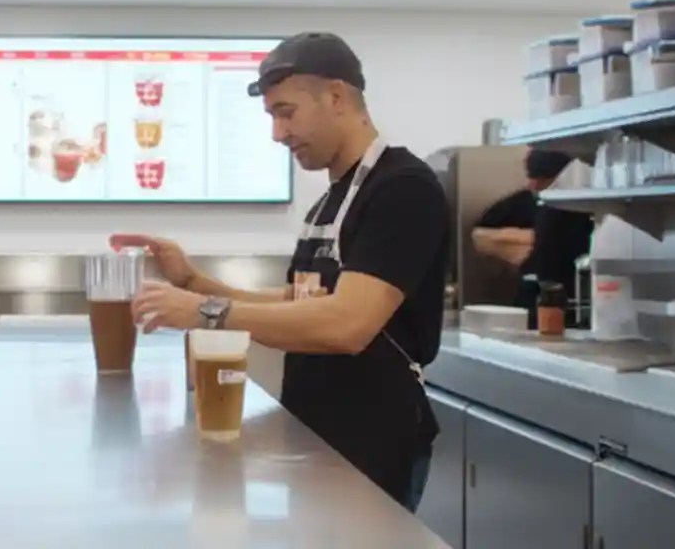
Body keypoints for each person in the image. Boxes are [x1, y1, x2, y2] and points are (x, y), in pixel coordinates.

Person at [116, 32, 448, 511]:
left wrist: (205, 311)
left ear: (336, 96)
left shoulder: (402, 189)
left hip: (373, 445)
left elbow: (347, 324)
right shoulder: (330, 200)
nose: (277, 133)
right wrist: (193, 282)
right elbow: (301, 304)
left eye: (285, 112)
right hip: (318, 440)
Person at [472, 149, 593, 327]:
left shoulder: (583, 204)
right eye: (531, 177)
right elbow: (479, 235)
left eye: (543, 179)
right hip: (533, 298)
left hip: (569, 304)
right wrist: (524, 242)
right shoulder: (526, 202)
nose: (534, 185)